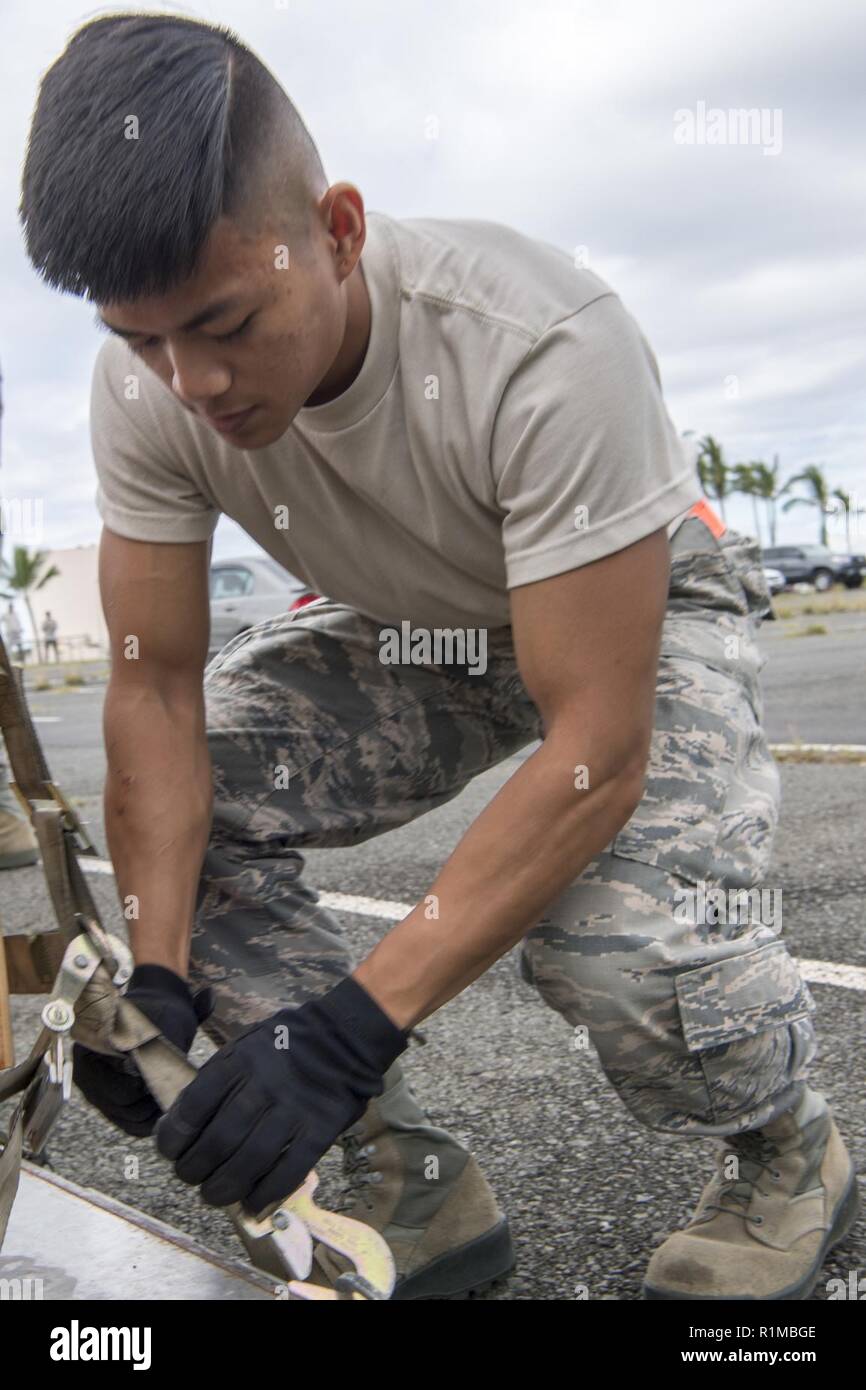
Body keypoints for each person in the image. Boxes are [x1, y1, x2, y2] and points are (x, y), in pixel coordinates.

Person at [18, 12, 857, 1301]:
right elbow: (153, 685)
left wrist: (347, 1031)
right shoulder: (153, 388)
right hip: (419, 621)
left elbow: (598, 751)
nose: (190, 381)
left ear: (339, 231)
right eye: (142, 341)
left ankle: (786, 1147)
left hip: (632, 610)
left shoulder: (539, 339)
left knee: (621, 942)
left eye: (227, 322)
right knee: (179, 847)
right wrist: (168, 975)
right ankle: (406, 1180)